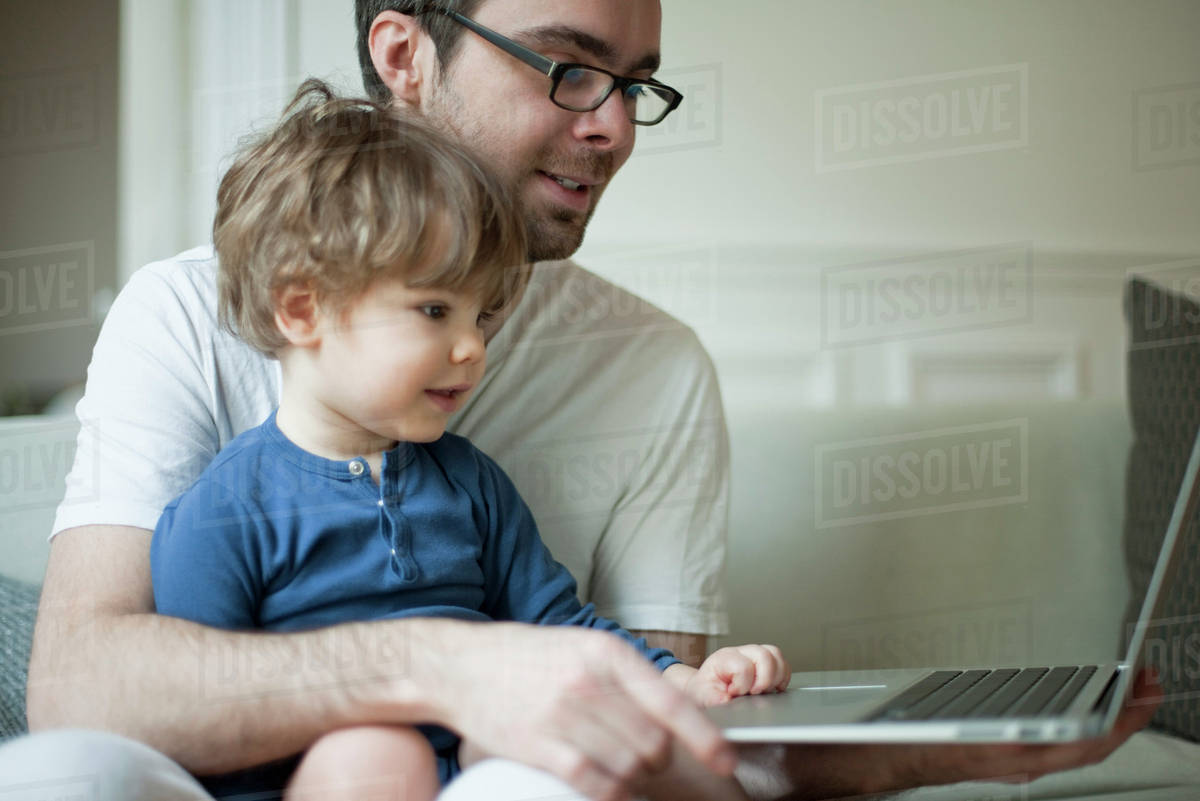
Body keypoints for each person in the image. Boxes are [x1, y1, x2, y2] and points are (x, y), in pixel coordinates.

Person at [11, 1, 1158, 800]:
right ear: (406, 56)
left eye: (636, 83)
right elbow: (96, 685)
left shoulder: (643, 375)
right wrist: (440, 668)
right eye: (565, 65)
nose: (612, 124)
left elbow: (640, 735)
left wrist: (934, 750)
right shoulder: (184, 319)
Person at [149, 78, 791, 800]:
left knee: (549, 742)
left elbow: (558, 624)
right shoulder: (223, 510)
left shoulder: (469, 481)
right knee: (375, 756)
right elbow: (203, 715)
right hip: (341, 779)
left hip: (475, 771)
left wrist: (685, 679)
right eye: (433, 310)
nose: (471, 349)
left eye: (481, 317)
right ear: (302, 308)